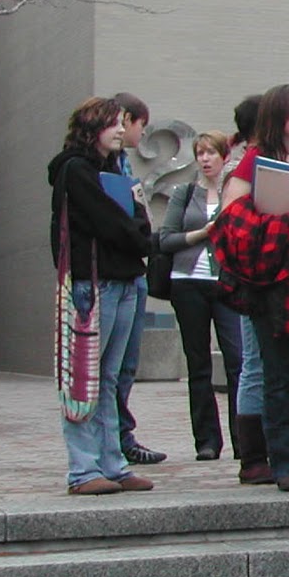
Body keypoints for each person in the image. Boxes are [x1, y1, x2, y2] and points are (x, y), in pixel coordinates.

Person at [219, 84, 289, 492]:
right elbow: (231, 219)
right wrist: (283, 223)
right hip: (274, 286)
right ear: (276, 117)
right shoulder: (257, 160)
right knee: (279, 377)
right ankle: (286, 462)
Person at [48, 97, 156, 495]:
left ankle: (113, 463)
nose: (119, 129)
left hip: (125, 279)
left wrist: (137, 232)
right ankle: (83, 470)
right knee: (83, 378)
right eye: (113, 122)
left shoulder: (115, 168)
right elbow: (113, 224)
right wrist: (137, 233)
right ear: (93, 127)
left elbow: (140, 221)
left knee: (109, 379)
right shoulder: (75, 170)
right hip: (94, 283)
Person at [157, 131, 243, 461]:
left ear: (224, 157)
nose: (205, 159)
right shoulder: (185, 193)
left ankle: (242, 439)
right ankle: (206, 441)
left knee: (237, 361)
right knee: (199, 365)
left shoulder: (234, 192)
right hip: (187, 282)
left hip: (225, 283)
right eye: (200, 153)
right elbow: (167, 239)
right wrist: (202, 233)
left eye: (211, 153)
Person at [111, 91, 166, 466]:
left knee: (127, 364)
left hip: (135, 268)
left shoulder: (123, 164)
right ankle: (116, 437)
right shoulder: (104, 167)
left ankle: (121, 433)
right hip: (119, 270)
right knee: (112, 365)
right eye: (140, 125)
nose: (138, 134)